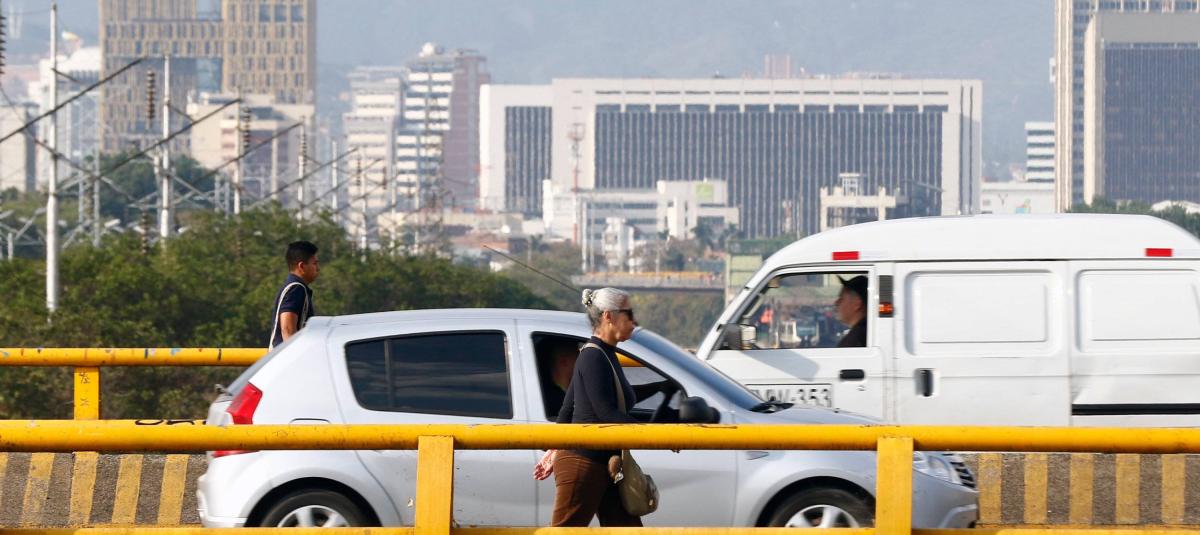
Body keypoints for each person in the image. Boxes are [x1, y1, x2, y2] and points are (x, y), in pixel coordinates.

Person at [532, 287, 672, 527]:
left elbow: (570, 407)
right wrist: (659, 436)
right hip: (583, 463)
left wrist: (661, 386)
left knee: (627, 530)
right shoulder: (593, 356)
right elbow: (606, 413)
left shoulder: (604, 354)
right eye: (628, 313)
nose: (634, 321)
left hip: (605, 464)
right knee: (565, 531)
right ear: (609, 316)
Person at [269, 241, 320, 349]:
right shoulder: (296, 288)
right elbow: (287, 329)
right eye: (315, 263)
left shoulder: (296, 287)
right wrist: (296, 358)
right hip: (285, 360)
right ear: (301, 266)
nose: (318, 268)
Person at [536, 337, 581, 419]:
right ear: (563, 362)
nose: (582, 360)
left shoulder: (544, 391)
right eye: (578, 355)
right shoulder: (553, 403)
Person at [835, 275, 868, 348]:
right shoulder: (866, 332)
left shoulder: (855, 340)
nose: (836, 303)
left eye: (841, 298)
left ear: (857, 304)